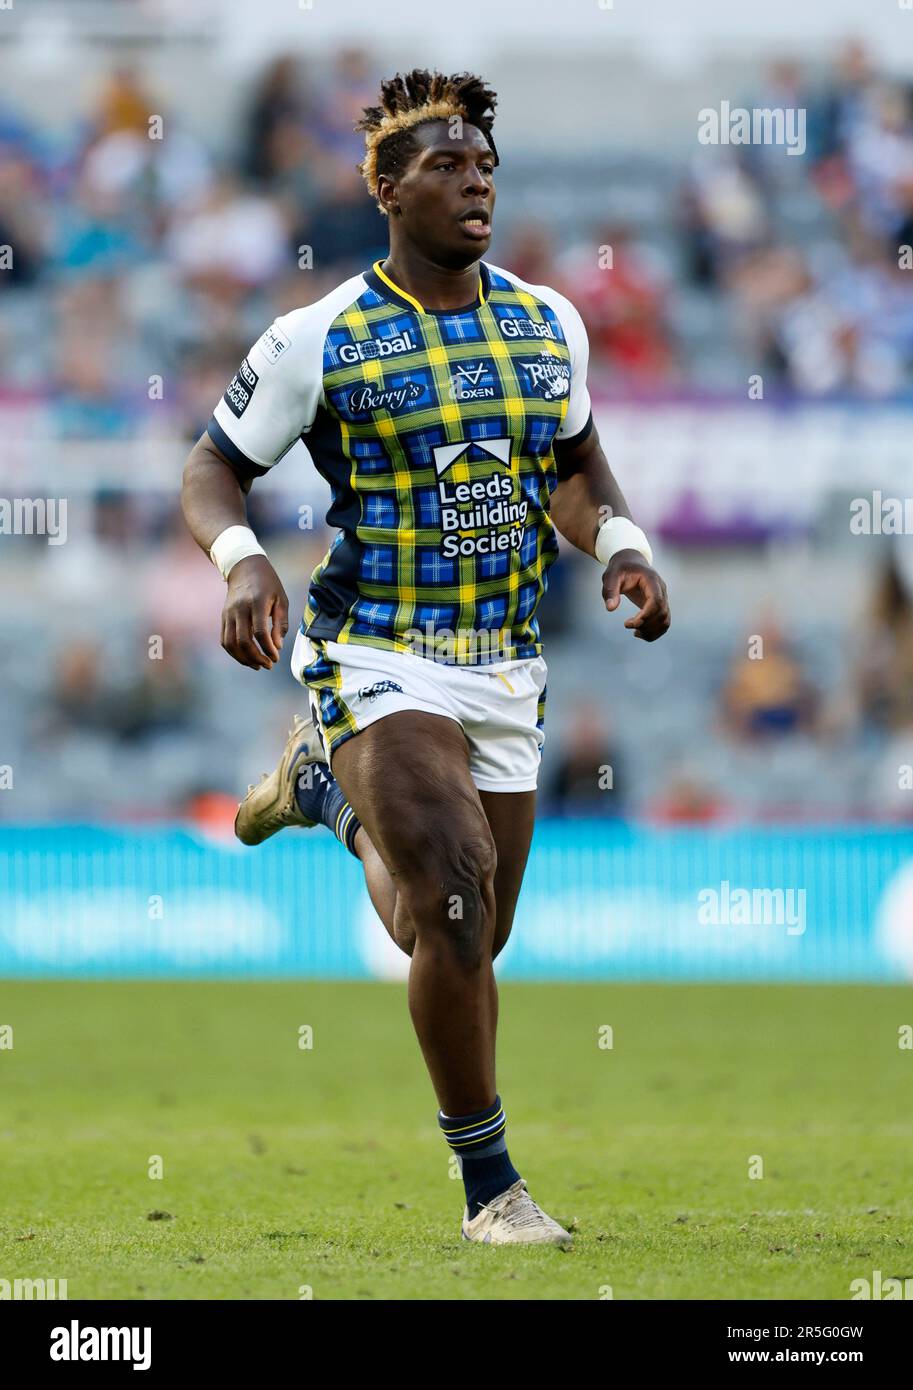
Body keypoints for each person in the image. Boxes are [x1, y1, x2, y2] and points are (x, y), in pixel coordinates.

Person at [181, 69, 670, 1246]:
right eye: (448, 168)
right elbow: (211, 468)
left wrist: (620, 544)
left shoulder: (549, 321)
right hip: (374, 651)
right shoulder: (318, 336)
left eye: (486, 167)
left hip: (504, 665)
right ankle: (490, 1191)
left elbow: (573, 467)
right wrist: (244, 562)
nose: (476, 184)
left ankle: (322, 794)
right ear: (388, 189)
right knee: (452, 897)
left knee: (450, 929)